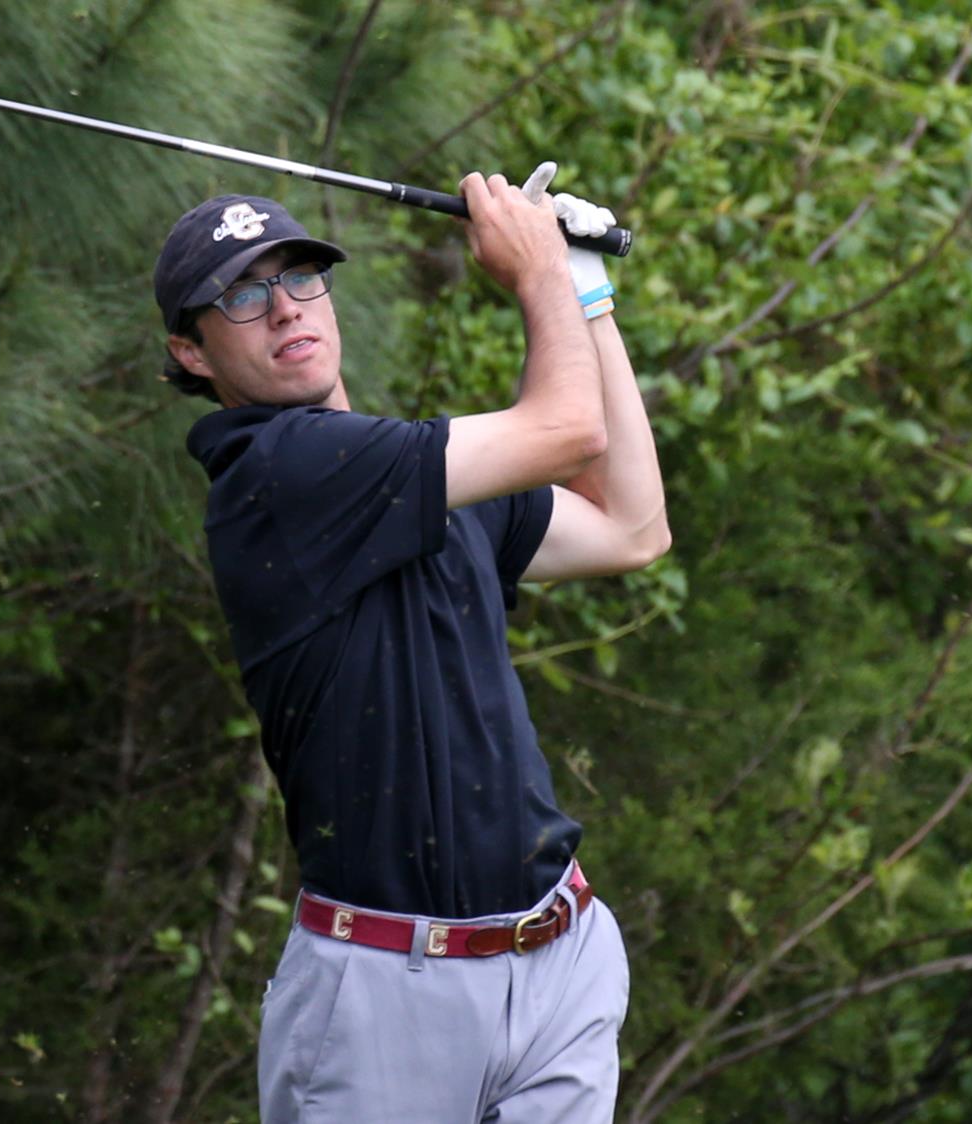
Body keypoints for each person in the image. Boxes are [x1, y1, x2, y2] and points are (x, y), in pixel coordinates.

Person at [152, 165, 669, 1122]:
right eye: (241, 296)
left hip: (558, 959)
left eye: (299, 276)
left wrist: (589, 298)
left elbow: (632, 527)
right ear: (192, 353)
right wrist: (539, 273)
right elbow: (566, 429)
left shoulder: (415, 474)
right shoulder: (277, 475)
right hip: (387, 993)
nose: (284, 306)